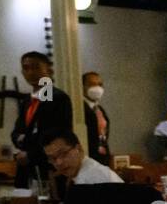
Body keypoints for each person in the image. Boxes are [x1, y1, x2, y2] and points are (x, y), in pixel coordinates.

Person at [11, 51, 73, 189]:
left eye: (36, 67)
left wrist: (30, 153)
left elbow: (58, 135)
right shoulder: (27, 101)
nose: (31, 72)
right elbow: (16, 132)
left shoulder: (56, 97)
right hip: (25, 168)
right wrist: (21, 140)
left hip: (48, 167)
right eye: (26, 68)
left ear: (49, 70)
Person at [44, 130, 123, 189]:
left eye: (63, 153)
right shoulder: (81, 172)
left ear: (79, 149)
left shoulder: (93, 177)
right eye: (53, 158)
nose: (59, 162)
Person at [82, 71, 111, 164]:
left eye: (100, 84)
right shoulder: (79, 108)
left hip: (102, 158)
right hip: (87, 158)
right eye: (92, 84)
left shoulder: (99, 109)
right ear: (82, 87)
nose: (97, 88)